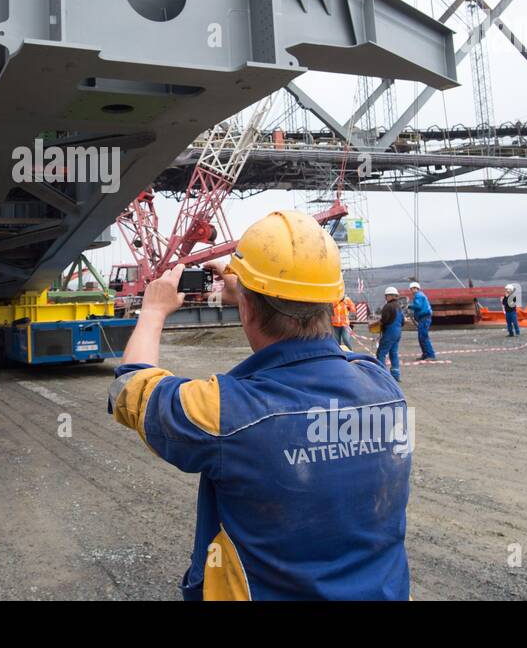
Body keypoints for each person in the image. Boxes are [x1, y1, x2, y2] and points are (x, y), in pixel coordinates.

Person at [108, 210, 411, 600]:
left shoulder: (224, 411)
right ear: (330, 300)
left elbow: (130, 387)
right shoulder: (383, 386)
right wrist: (255, 291)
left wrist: (152, 311)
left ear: (246, 309)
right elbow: (330, 351)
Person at [377, 286, 403, 381]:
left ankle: (382, 376)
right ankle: (396, 376)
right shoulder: (399, 307)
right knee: (393, 353)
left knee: (381, 353)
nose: (385, 297)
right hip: (398, 333)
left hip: (389, 333)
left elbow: (385, 320)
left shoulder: (388, 306)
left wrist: (379, 324)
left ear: (390, 296)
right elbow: (402, 321)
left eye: (386, 296)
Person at [408, 281, 436, 360]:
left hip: (424, 318)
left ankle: (430, 355)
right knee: (422, 337)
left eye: (412, 288)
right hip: (424, 318)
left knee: (423, 337)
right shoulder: (420, 295)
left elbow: (418, 306)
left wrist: (409, 306)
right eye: (411, 289)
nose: (411, 290)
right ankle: (426, 354)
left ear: (416, 288)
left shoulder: (418, 296)